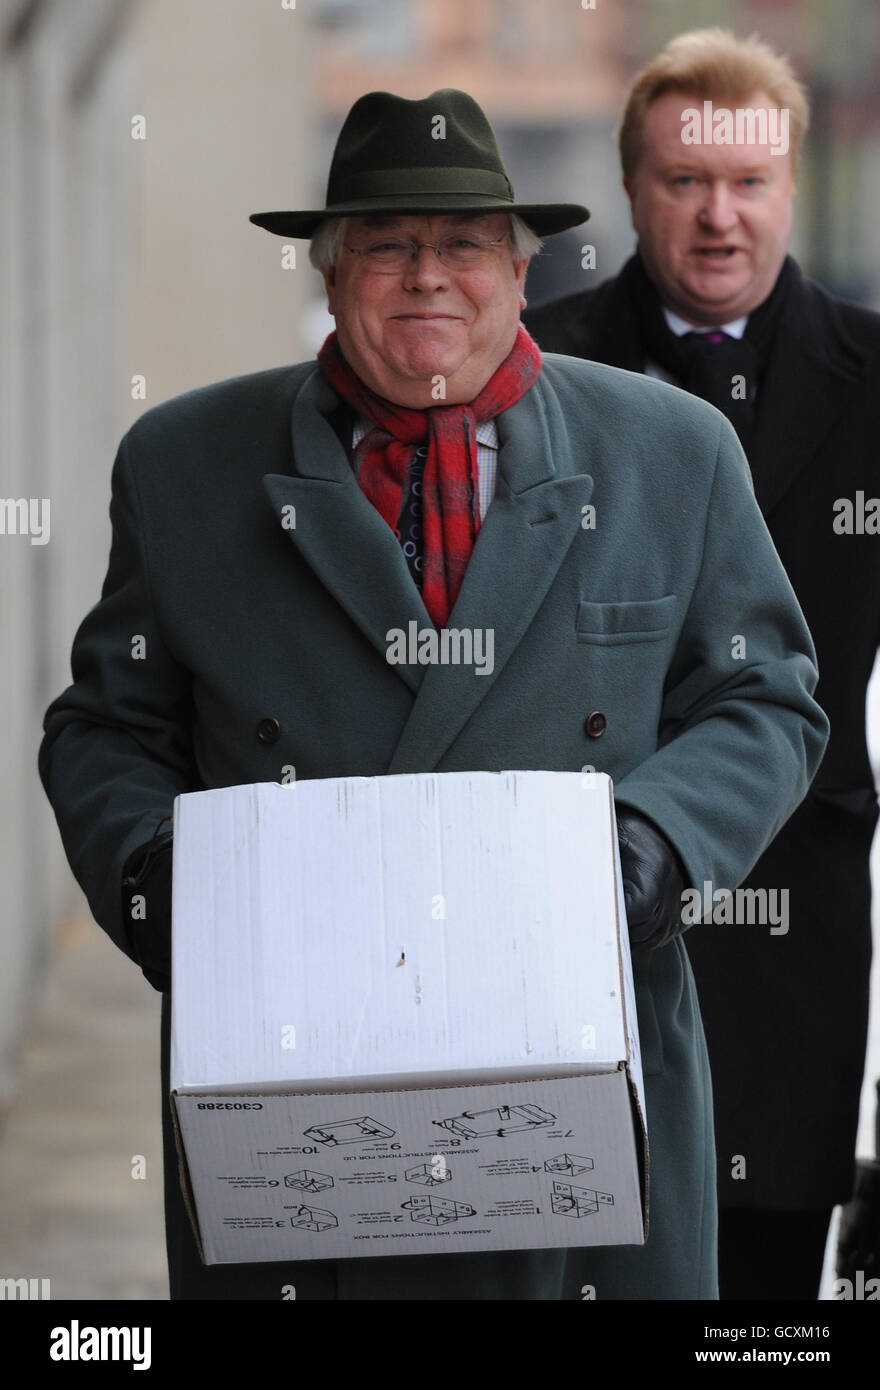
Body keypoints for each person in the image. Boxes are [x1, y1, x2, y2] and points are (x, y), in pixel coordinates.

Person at [38, 86, 827, 1301]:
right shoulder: (185, 464)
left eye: (462, 243)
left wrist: (656, 845)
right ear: (332, 269)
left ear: (516, 269)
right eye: (387, 245)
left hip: (587, 1078)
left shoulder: (670, 451)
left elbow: (767, 698)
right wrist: (158, 885)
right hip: (296, 1094)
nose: (427, 277)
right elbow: (105, 727)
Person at [524, 27, 879, 1301]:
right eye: (684, 180)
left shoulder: (874, 379)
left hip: (796, 910)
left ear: (791, 186)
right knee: (583, 1247)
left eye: (748, 182)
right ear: (631, 189)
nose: (719, 216)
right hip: (574, 898)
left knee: (772, 1280)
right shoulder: (534, 368)